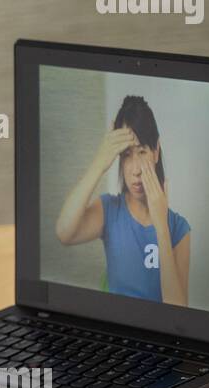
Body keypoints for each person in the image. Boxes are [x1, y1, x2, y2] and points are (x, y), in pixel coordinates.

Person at [54, 95, 190, 306]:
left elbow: (178, 313)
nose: (135, 170)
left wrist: (161, 226)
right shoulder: (109, 209)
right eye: (126, 155)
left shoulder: (180, 228)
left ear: (156, 151)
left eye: (142, 151)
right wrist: (100, 162)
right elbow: (64, 232)